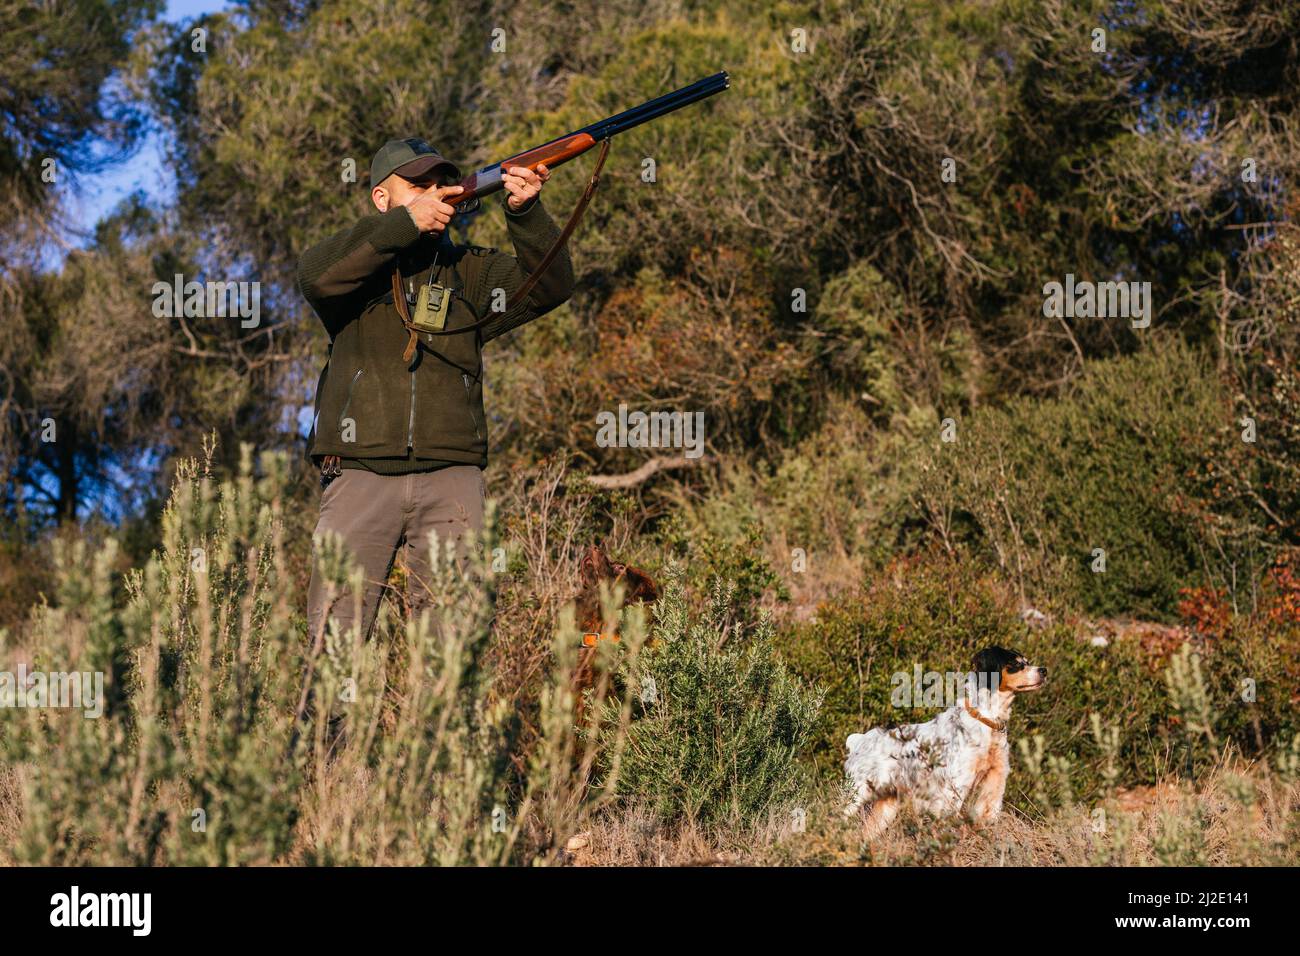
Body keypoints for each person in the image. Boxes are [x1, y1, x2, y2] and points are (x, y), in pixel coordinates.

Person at [298, 137, 574, 642]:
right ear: (382, 199)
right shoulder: (355, 272)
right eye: (417, 185)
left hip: (453, 478)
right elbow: (313, 276)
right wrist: (404, 227)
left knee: (452, 652)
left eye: (439, 183)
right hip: (358, 473)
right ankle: (330, 728)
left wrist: (527, 212)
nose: (433, 193)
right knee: (334, 646)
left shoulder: (471, 272)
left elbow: (550, 286)